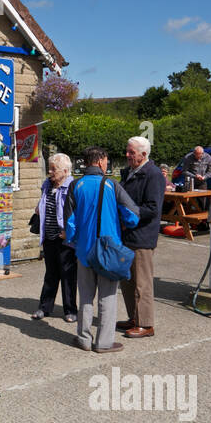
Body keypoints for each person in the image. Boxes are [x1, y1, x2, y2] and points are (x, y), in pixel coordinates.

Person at [64, 146, 139, 352]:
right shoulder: (111, 185)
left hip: (84, 250)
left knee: (86, 296)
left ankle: (84, 339)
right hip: (108, 250)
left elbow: (69, 222)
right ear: (99, 162)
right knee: (108, 297)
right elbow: (133, 215)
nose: (107, 164)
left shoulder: (75, 185)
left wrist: (74, 242)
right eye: (106, 161)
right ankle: (104, 343)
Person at [118, 136, 165, 339]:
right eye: (127, 151)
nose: (127, 155)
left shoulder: (153, 175)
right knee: (128, 281)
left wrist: (129, 214)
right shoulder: (130, 172)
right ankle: (134, 318)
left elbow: (153, 209)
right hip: (128, 235)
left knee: (142, 283)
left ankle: (146, 324)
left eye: (131, 153)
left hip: (142, 236)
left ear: (144, 154)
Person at [32, 153, 78, 324]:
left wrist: (68, 231)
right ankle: (44, 307)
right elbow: (43, 204)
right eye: (49, 168)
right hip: (49, 236)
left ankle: (70, 310)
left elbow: (77, 213)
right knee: (50, 274)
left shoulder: (73, 186)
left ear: (65, 171)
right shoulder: (47, 185)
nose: (50, 172)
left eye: (53, 169)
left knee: (68, 275)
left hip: (65, 238)